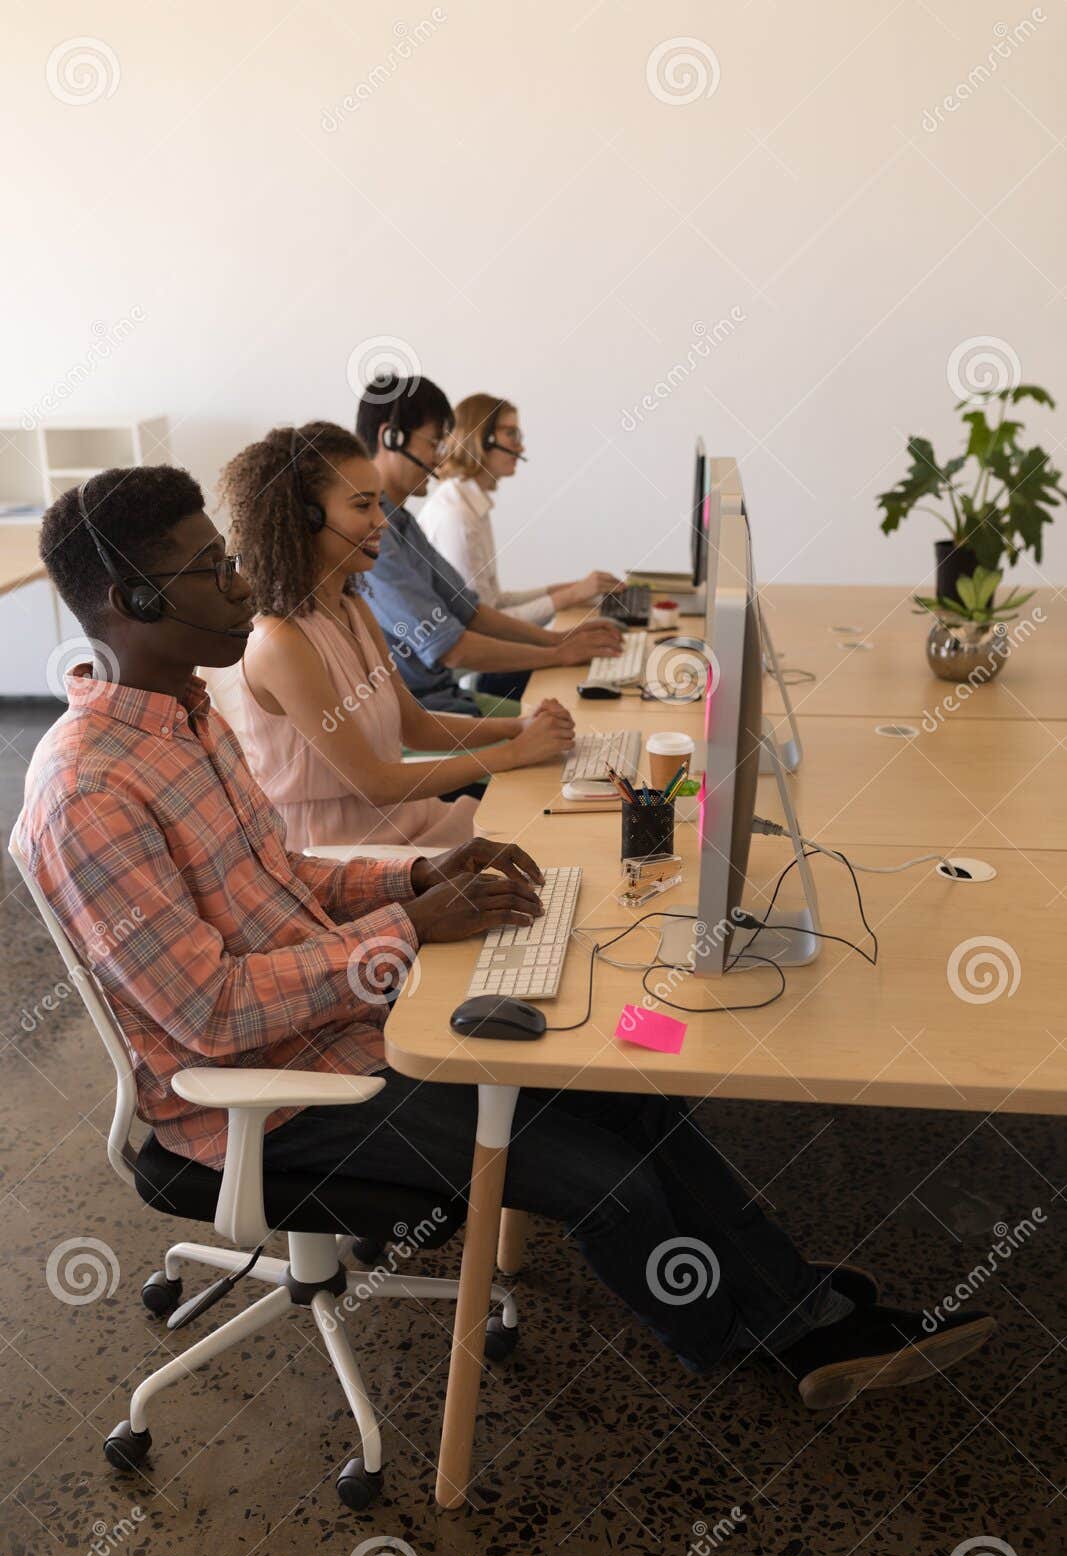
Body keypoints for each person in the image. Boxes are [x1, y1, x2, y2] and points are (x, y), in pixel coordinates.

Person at [15, 464, 996, 1408]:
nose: (240, 583)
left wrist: (416, 875)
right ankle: (748, 1337)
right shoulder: (91, 787)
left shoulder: (186, 715)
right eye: (211, 570)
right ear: (133, 598)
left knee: (633, 1095)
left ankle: (792, 1303)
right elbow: (210, 1010)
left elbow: (279, 878)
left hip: (344, 1022)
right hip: (274, 1098)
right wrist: (407, 929)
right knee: (604, 1183)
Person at [215, 421, 574, 852]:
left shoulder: (352, 607)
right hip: (341, 852)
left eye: (378, 504)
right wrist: (512, 754)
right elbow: (374, 783)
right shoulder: (281, 642)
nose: (381, 521)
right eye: (363, 506)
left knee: (553, 838)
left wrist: (519, 727)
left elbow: (414, 726)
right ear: (306, 520)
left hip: (405, 825)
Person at [353, 373, 623, 715]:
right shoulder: (372, 535)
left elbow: (473, 611)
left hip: (448, 698)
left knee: (571, 722)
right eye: (434, 444)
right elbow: (450, 647)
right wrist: (556, 653)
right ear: (390, 437)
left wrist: (559, 640)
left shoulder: (402, 522)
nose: (440, 460)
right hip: (424, 717)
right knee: (569, 728)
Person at [421, 392, 622, 697]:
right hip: (468, 670)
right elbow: (481, 622)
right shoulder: (456, 518)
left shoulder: (470, 504)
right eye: (511, 434)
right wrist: (569, 597)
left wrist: (569, 589)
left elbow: (493, 602)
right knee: (574, 681)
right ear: (481, 439)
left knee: (585, 663)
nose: (520, 446)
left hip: (483, 656)